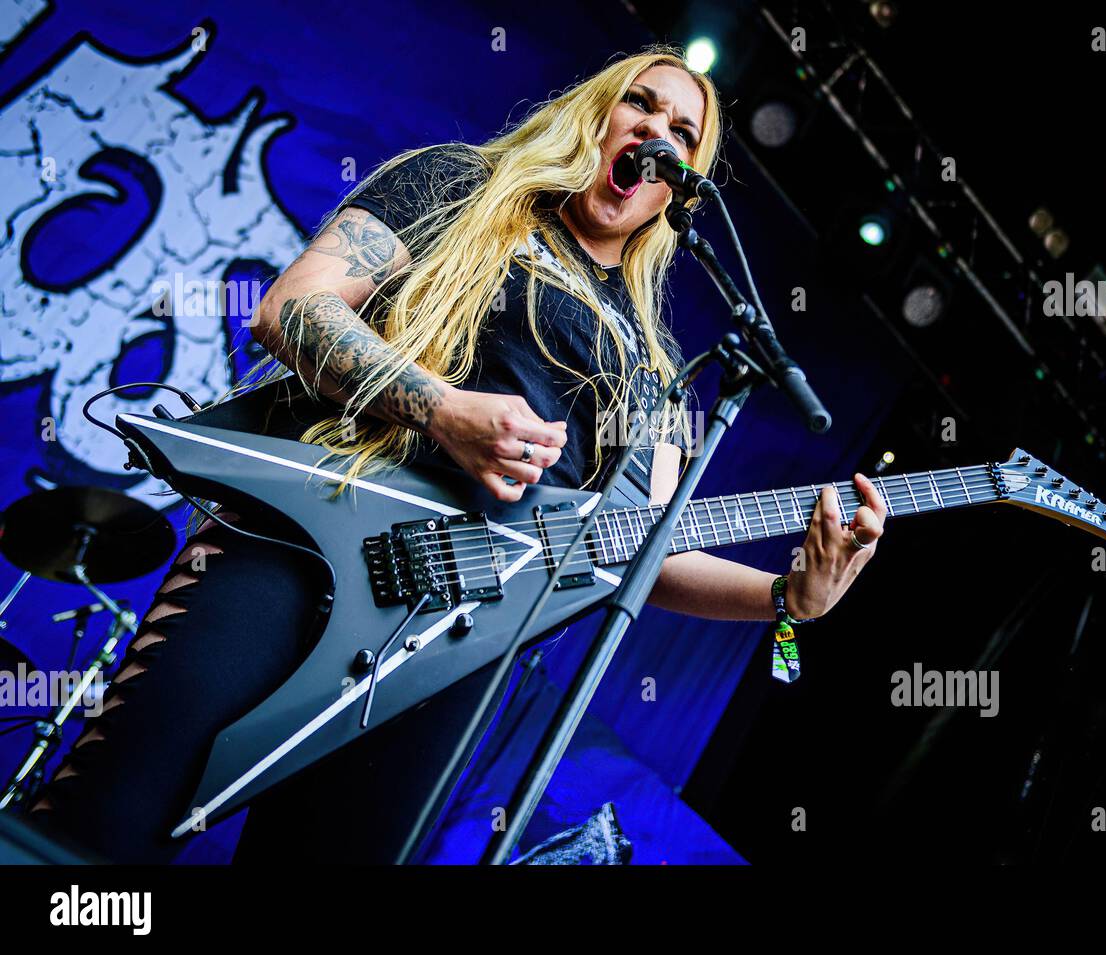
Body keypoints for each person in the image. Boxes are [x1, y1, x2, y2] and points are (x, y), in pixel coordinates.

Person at [27, 46, 885, 863]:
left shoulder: (659, 374)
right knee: (96, 837)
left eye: (684, 131)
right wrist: (442, 409)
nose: (657, 130)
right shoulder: (460, 185)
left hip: (457, 648)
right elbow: (291, 309)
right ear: (595, 113)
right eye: (640, 102)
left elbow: (646, 551)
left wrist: (787, 597)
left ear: (680, 189)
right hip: (303, 550)